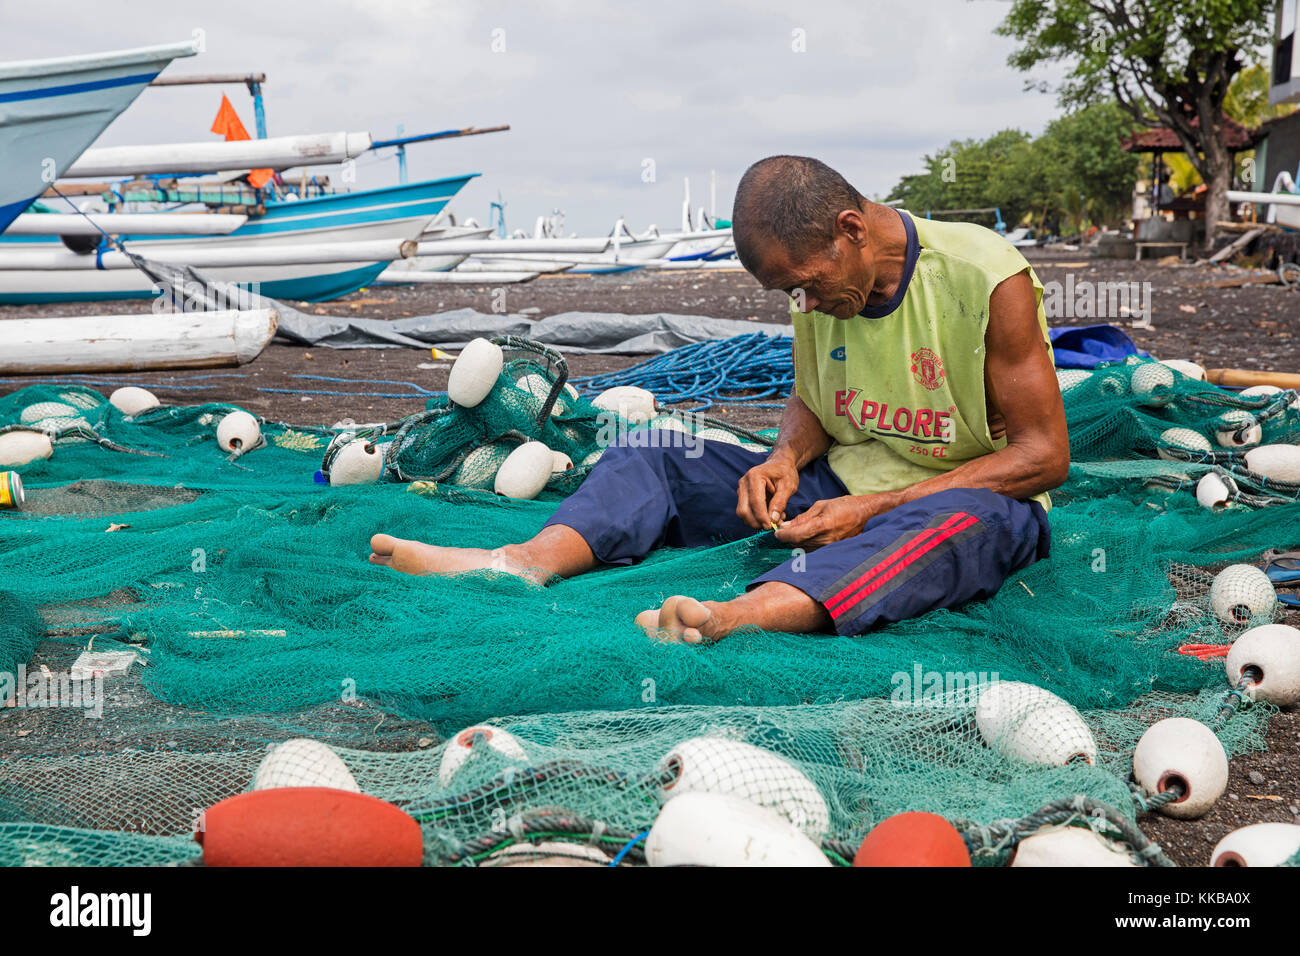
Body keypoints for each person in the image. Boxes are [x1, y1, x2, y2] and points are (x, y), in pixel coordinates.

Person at [370, 155, 1069, 643]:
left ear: (851, 231)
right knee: (652, 452)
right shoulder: (815, 288)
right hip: (835, 490)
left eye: (808, 284)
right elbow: (814, 399)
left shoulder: (985, 275)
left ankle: (736, 617)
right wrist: (785, 459)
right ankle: (526, 563)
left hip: (965, 503)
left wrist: (873, 508)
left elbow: (1043, 457)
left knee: (957, 524)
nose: (805, 302)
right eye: (790, 293)